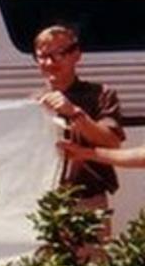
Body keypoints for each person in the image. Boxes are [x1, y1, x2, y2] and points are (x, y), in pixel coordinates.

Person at [34, 25, 124, 242]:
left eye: (58, 54)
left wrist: (75, 113)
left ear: (76, 55)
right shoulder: (34, 103)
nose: (49, 63)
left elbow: (112, 142)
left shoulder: (101, 95)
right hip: (45, 203)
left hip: (87, 202)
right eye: (42, 56)